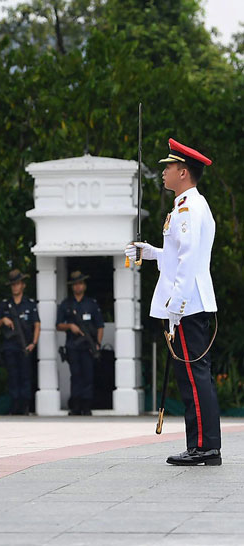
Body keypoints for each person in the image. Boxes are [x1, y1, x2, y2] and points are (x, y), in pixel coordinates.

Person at [126, 138, 220, 466]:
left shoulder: (189, 208)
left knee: (194, 377)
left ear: (182, 171)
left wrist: (176, 305)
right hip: (187, 302)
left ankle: (204, 447)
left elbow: (190, 260)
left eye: (167, 167)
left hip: (187, 304)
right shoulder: (184, 207)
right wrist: (151, 253)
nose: (163, 171)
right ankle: (201, 445)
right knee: (191, 376)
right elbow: (178, 256)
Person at [0, 269, 40, 415]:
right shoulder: (5, 305)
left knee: (26, 376)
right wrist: (3, 320)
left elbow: (37, 324)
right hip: (10, 346)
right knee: (13, 376)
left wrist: (34, 343)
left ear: (23, 285)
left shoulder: (30, 304)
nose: (15, 287)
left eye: (17, 284)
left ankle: (25, 406)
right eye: (13, 285)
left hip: (25, 345)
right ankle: (14, 406)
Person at [56, 270, 104, 416]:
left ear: (84, 285)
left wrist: (97, 344)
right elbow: (58, 325)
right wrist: (70, 326)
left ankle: (87, 406)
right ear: (72, 286)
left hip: (88, 347)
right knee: (75, 375)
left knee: (88, 376)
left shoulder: (91, 304)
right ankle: (76, 406)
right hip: (73, 346)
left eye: (80, 283)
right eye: (75, 284)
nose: (78, 286)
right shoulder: (66, 304)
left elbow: (100, 326)